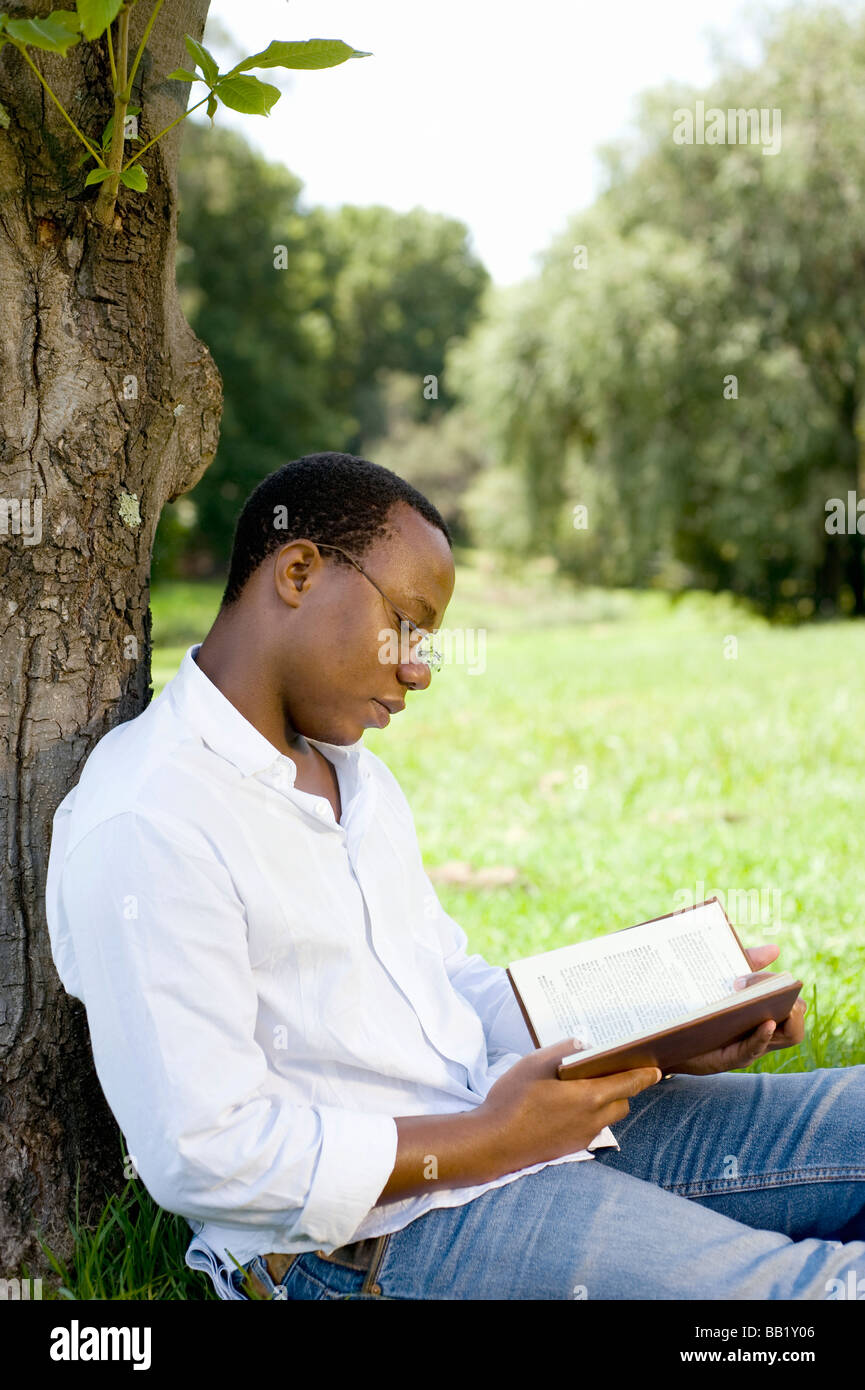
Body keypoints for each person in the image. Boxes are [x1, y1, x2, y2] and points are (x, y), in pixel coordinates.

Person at [45, 452, 865, 1302]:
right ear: (297, 571)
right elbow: (203, 1155)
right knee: (816, 1296)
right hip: (368, 1237)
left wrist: (652, 1016)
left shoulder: (351, 779)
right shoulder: (150, 818)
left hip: (505, 1129)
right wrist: (488, 1138)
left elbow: (444, 993)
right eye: (406, 622)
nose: (419, 669)